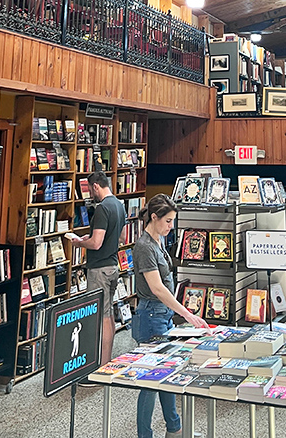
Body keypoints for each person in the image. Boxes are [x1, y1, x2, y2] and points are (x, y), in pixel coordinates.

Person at [132, 194, 209, 438]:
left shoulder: (158, 241)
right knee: (149, 381)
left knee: (167, 373)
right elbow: (156, 287)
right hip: (151, 315)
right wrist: (186, 314)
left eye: (172, 221)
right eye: (167, 221)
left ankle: (174, 429)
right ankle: (145, 435)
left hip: (162, 314)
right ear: (153, 218)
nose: (171, 226)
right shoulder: (144, 246)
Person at [66, 171, 126, 364]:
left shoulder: (103, 209)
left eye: (91, 190)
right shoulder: (119, 205)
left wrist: (79, 243)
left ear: (95, 187)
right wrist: (90, 238)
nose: (91, 194)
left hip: (99, 268)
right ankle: (106, 360)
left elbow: (97, 243)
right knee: (109, 314)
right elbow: (122, 238)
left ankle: (102, 363)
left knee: (101, 315)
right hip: (112, 266)